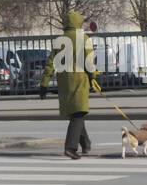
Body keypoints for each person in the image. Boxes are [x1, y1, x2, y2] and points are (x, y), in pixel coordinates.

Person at [39, 10, 103, 160]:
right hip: (79, 80)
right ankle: (70, 148)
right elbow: (89, 61)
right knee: (79, 113)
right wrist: (93, 77)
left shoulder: (59, 41)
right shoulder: (83, 38)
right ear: (78, 23)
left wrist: (44, 84)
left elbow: (50, 64)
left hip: (64, 82)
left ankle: (86, 144)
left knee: (75, 112)